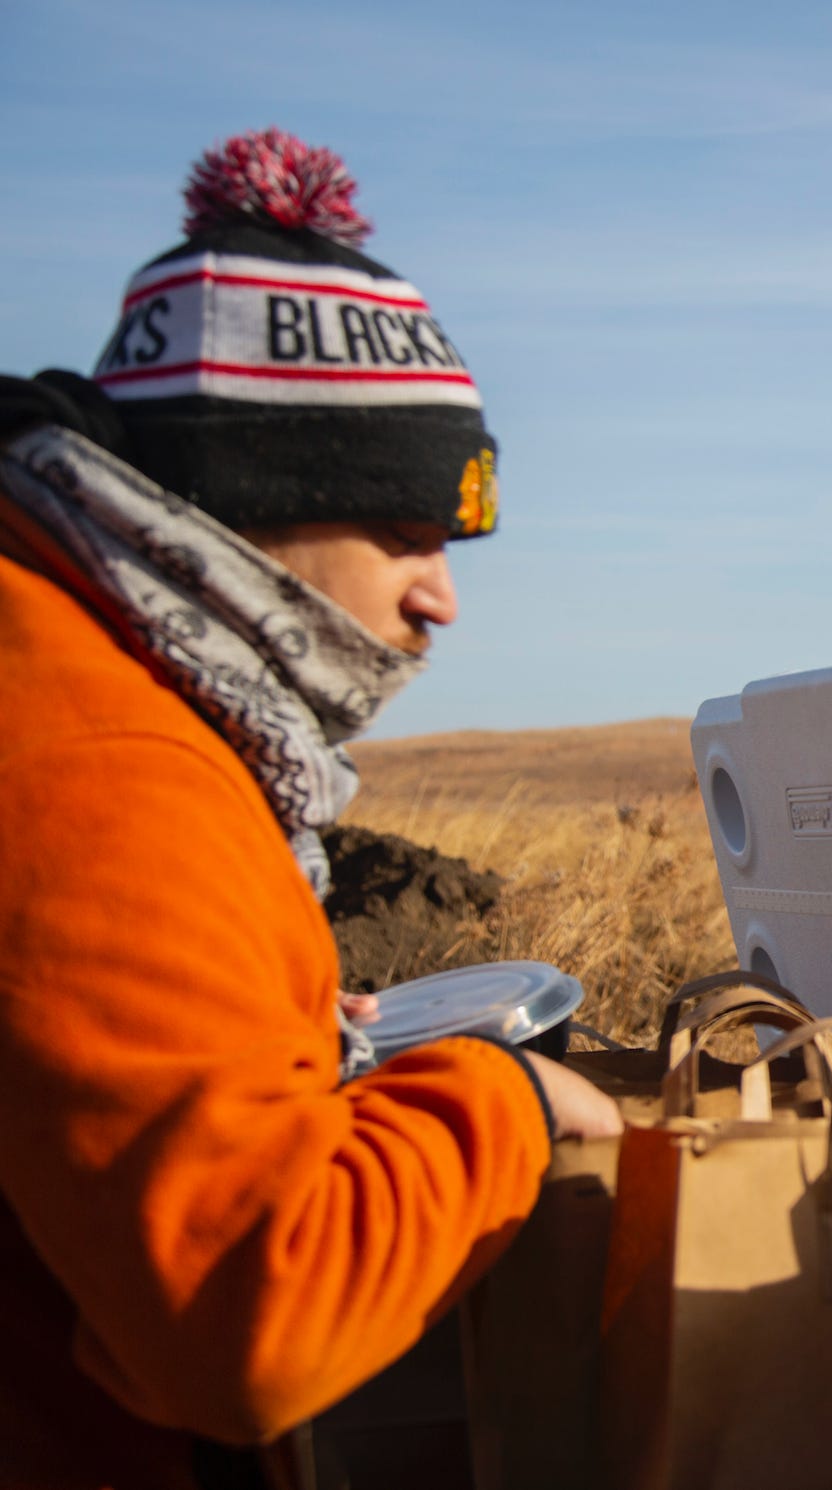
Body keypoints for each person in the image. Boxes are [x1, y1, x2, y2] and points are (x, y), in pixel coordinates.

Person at [0, 129, 622, 1488]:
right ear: (258, 490)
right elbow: (245, 1315)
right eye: (409, 529)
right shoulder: (110, 760)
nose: (441, 595)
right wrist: (501, 1098)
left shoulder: (67, 666)